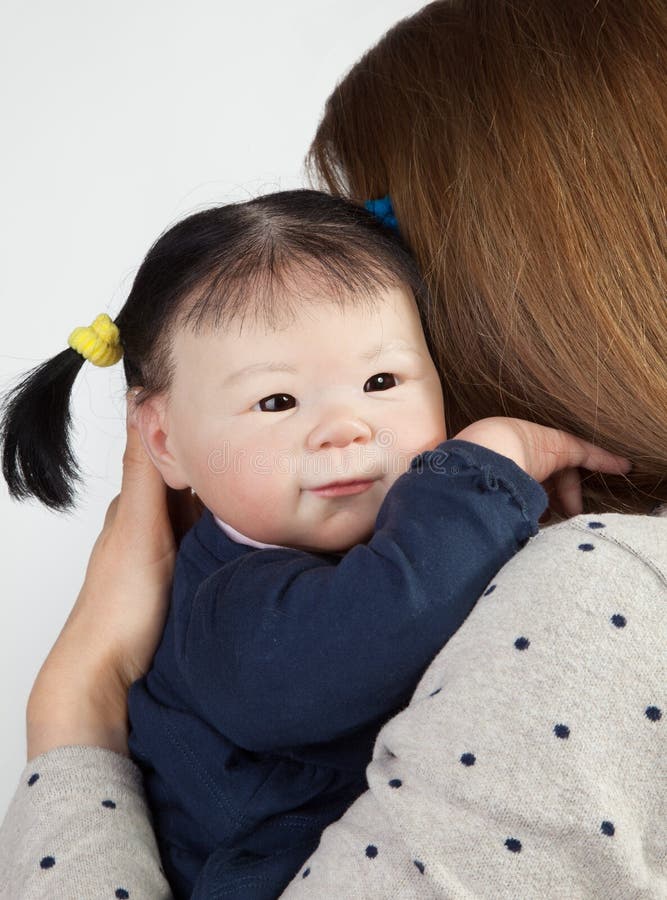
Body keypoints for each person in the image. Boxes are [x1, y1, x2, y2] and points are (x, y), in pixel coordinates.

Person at [1, 0, 665, 897]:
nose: (346, 428)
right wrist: (487, 465)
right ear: (160, 440)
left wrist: (75, 695)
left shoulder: (597, 582)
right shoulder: (234, 596)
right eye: (275, 399)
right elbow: (380, 618)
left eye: (383, 382)